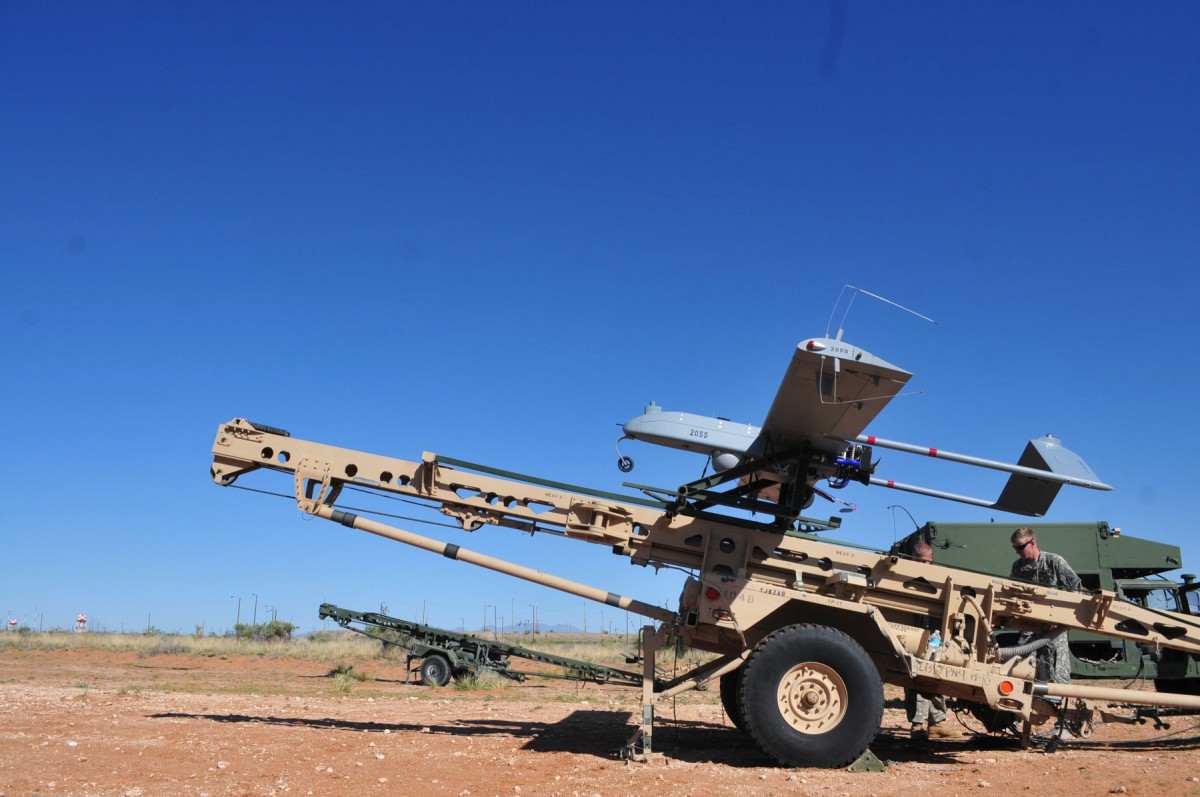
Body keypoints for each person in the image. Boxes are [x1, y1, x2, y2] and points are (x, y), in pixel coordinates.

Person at [1009, 527, 1082, 686]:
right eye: (1015, 548)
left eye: (1020, 547)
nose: (1017, 551)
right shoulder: (1018, 567)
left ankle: (1059, 699)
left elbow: (1076, 591)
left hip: (1054, 627)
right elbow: (1012, 593)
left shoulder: (1054, 562)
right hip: (1029, 625)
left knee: (1057, 671)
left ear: (1033, 543)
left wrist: (1062, 619)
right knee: (1021, 666)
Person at [906, 542, 962, 740]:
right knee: (914, 677)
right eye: (919, 561)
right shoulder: (906, 578)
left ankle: (937, 723)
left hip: (935, 637)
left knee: (937, 676)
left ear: (931, 560)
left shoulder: (940, 579)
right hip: (914, 635)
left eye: (926, 562)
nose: (923, 565)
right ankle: (917, 725)